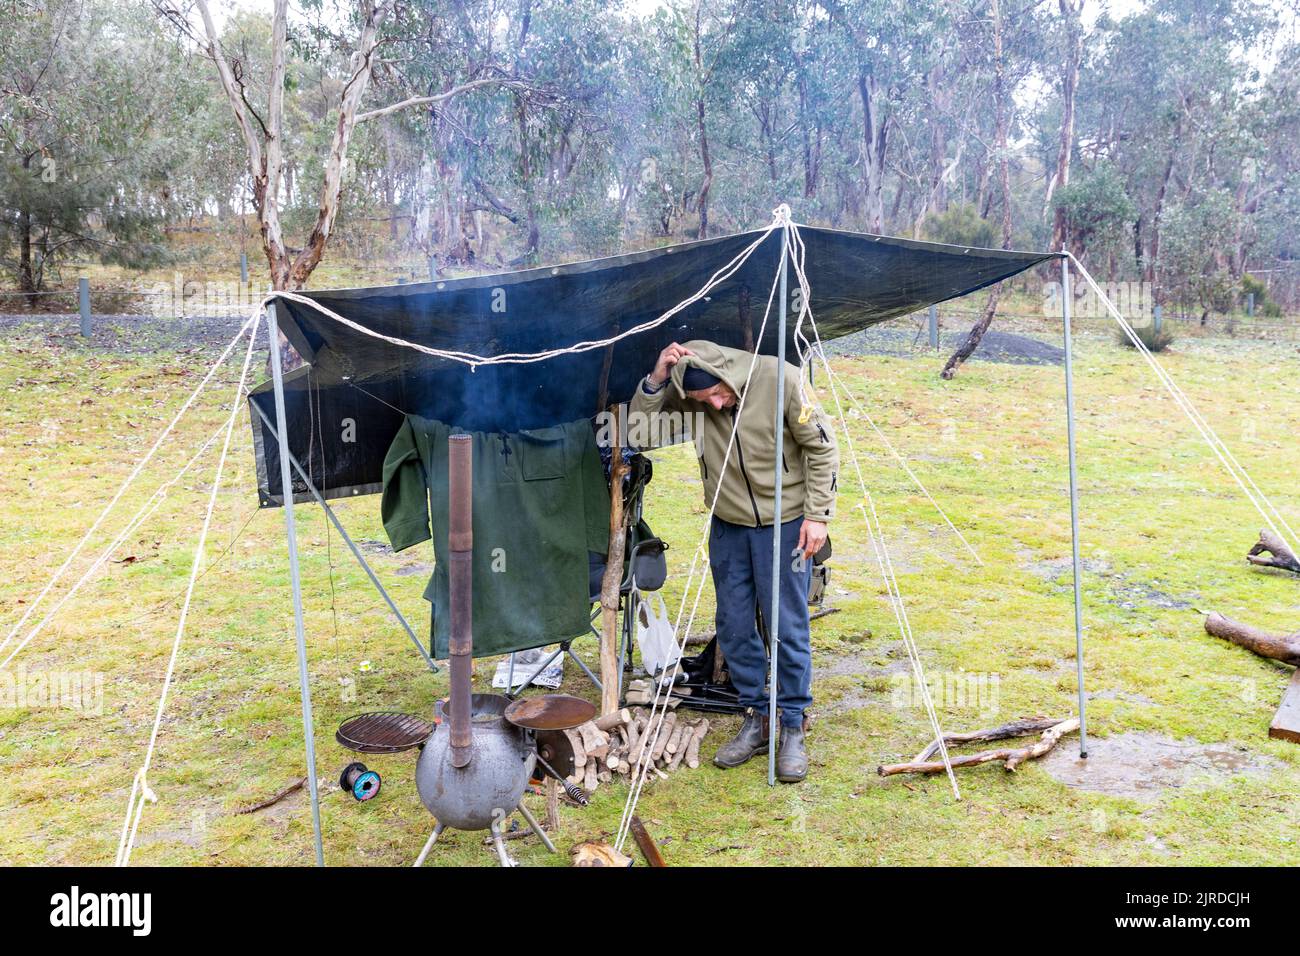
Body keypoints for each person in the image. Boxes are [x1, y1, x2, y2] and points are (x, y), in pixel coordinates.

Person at [630, 339, 838, 782]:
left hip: (786, 523)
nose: (716, 405)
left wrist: (818, 516)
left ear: (728, 376)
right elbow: (639, 434)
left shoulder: (781, 379)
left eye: (719, 395)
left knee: (786, 622)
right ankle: (757, 716)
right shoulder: (696, 398)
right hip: (728, 525)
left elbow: (821, 447)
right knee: (735, 623)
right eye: (705, 402)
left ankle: (793, 722)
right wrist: (656, 380)